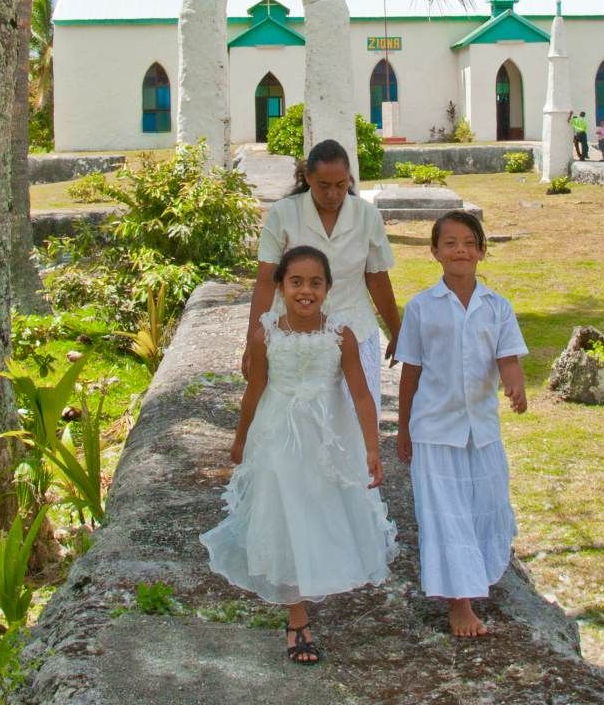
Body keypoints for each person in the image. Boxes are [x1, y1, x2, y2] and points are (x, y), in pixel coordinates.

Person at [202, 246, 397, 664]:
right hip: (277, 435)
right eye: (296, 282)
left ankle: (316, 576)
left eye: (315, 283)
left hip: (327, 436)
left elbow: (361, 395)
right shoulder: (266, 333)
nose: (306, 291)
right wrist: (239, 440)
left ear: (327, 288)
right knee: (284, 513)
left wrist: (371, 446)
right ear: (280, 287)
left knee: (320, 510)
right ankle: (297, 616)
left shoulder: (340, 335)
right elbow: (254, 390)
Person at [394, 210, 528, 638]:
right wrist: (402, 429)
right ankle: (459, 603)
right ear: (434, 252)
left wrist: (515, 386)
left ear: (483, 252)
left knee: (486, 508)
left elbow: (507, 357)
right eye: (450, 243)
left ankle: (476, 580)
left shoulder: (498, 307)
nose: (460, 250)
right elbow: (410, 373)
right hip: (434, 430)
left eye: (470, 242)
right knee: (446, 516)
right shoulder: (420, 308)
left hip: (482, 430)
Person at [245, 139, 401, 413]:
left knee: (357, 421)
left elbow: (376, 277)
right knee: (299, 422)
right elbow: (266, 281)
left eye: (341, 185)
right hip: (295, 336)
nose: (333, 194)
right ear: (308, 178)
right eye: (324, 186)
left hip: (357, 331)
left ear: (349, 180)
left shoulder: (367, 215)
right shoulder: (284, 213)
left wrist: (397, 331)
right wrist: (253, 341)